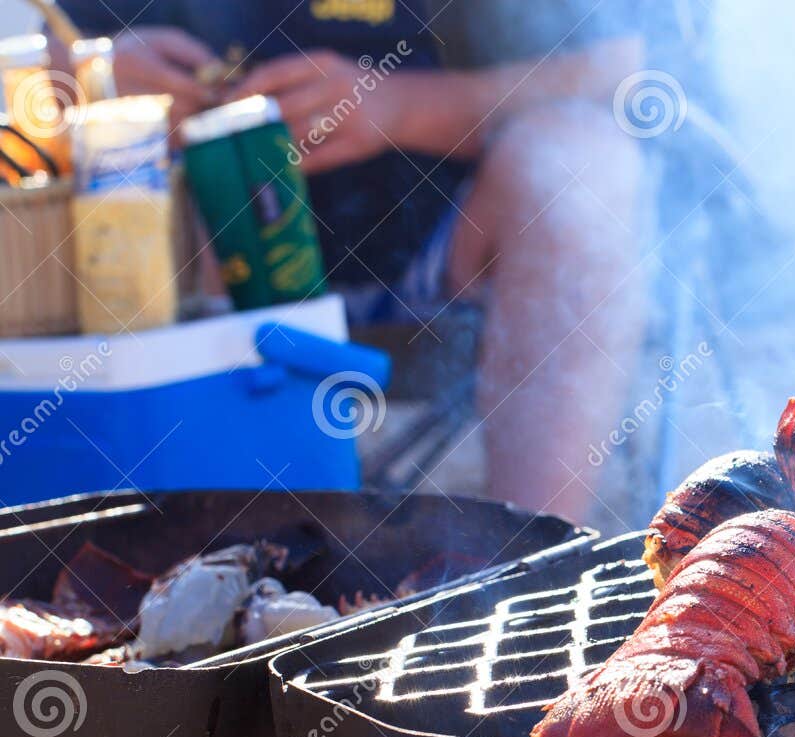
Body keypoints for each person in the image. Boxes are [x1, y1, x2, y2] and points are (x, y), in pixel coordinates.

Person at [55, 0, 651, 526]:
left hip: (455, 257)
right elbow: (39, 61)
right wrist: (96, 73)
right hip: (205, 262)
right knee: (112, 170)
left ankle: (529, 565)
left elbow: (623, 70)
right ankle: (200, 571)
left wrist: (399, 107)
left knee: (580, 166)